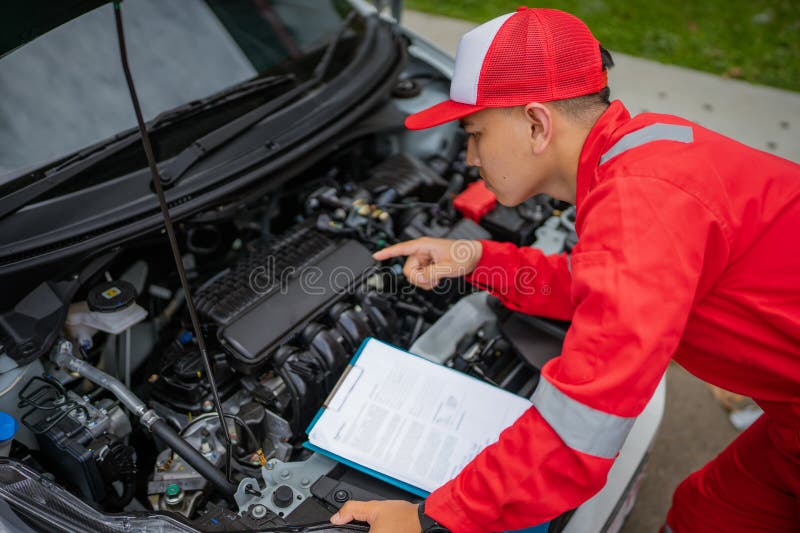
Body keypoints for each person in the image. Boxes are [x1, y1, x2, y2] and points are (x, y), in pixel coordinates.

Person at [329, 7, 800, 533]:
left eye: (476, 133)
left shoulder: (638, 203)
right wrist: (479, 259)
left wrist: (429, 520)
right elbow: (605, 286)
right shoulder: (643, 153)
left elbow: (577, 432)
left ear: (536, 123)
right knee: (707, 512)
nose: (469, 157)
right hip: (789, 416)